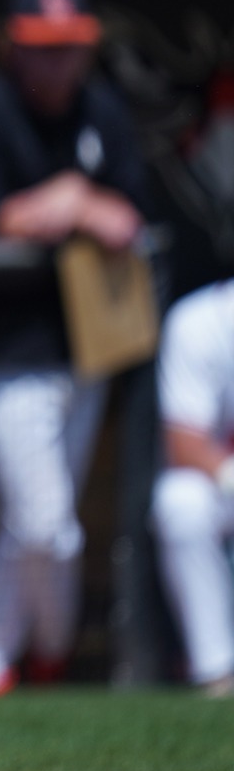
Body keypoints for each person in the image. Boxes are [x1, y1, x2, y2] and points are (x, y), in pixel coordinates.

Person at [0, 0, 150, 698]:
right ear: (13, 45)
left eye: (69, 44)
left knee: (33, 516)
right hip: (2, 350)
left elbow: (129, 214)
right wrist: (61, 202)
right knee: (49, 523)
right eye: (42, 44)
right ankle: (36, 644)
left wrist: (80, 200)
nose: (57, 59)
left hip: (82, 346)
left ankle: (4, 655)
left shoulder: (101, 109)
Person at [148, 278, 234, 698]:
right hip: (229, 481)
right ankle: (216, 672)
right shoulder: (203, 319)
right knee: (181, 500)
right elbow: (185, 444)